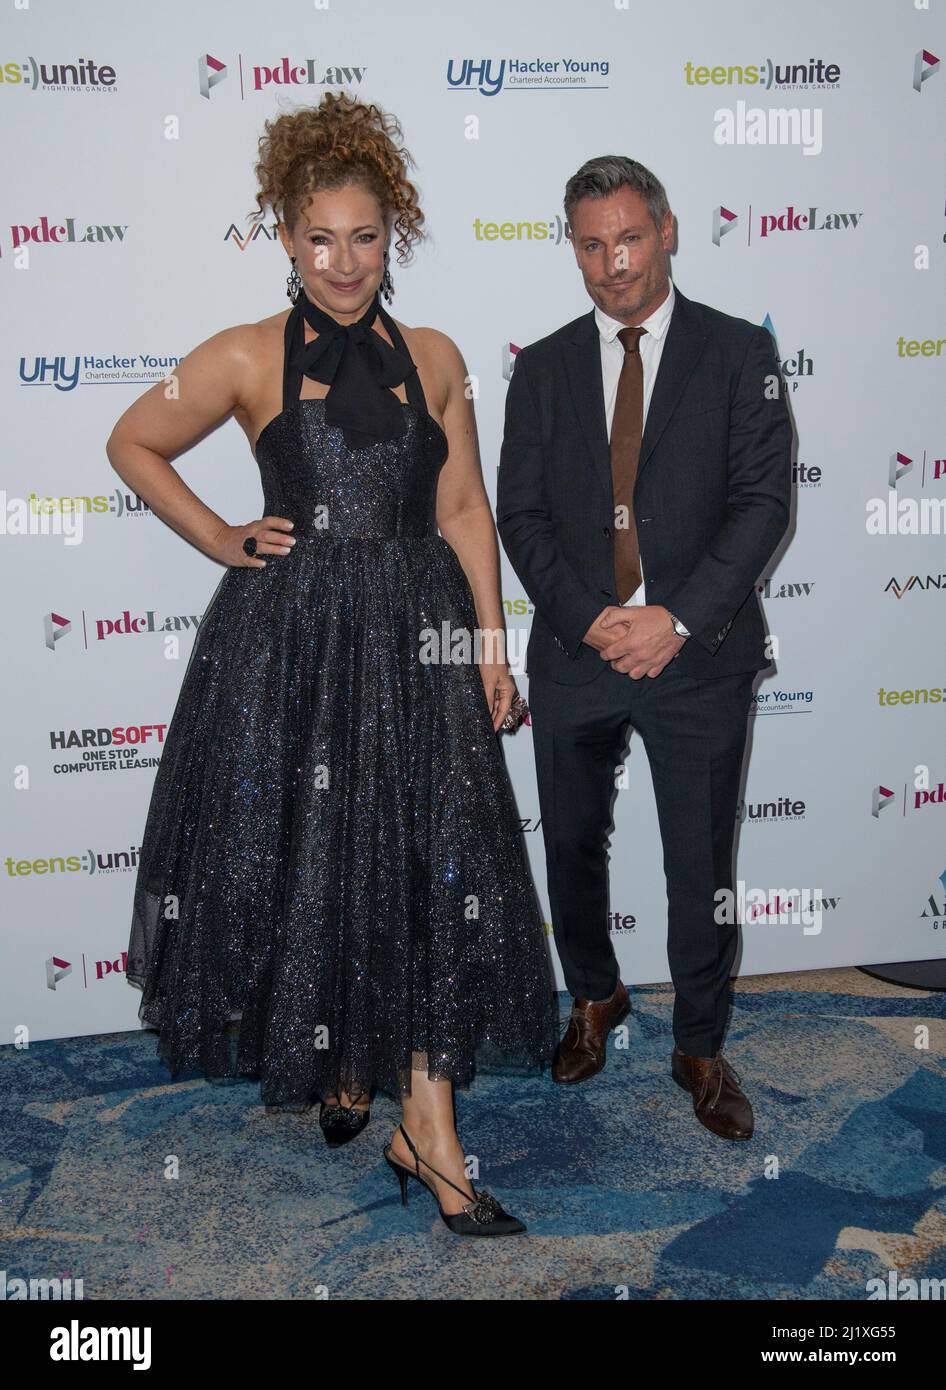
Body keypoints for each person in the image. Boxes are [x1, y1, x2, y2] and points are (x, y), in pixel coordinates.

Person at [107, 92, 558, 1235]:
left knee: (426, 868)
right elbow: (133, 440)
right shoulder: (247, 354)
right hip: (295, 648)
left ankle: (431, 1123)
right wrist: (219, 536)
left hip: (417, 639)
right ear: (285, 236)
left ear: (389, 235)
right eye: (320, 238)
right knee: (320, 862)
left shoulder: (440, 357)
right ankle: (361, 1073)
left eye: (365, 237)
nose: (344, 262)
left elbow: (462, 507)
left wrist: (488, 644)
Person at [496, 155, 792, 1142]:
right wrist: (589, 619)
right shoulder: (539, 367)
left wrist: (671, 617)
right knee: (571, 848)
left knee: (698, 861)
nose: (613, 262)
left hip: (696, 654)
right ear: (571, 246)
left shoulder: (737, 349)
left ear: (667, 230)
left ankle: (700, 1046)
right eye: (591, 244)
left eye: (629, 237)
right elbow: (522, 515)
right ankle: (594, 997)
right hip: (578, 653)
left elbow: (761, 504)